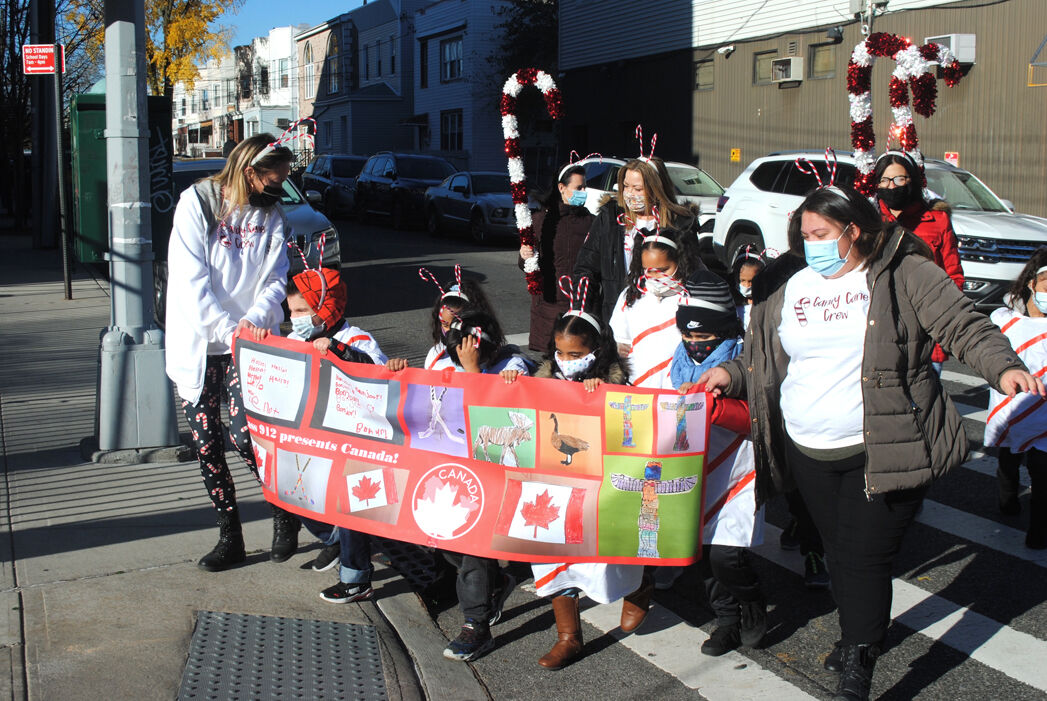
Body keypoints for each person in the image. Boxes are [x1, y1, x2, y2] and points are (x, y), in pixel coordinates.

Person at [696, 186, 1044, 701]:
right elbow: (763, 359)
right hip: (807, 448)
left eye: (820, 235)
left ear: (852, 230)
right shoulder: (789, 285)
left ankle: (858, 659)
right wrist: (729, 372)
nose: (809, 245)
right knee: (840, 553)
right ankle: (863, 630)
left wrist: (1004, 366)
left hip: (883, 445)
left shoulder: (903, 273)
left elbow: (962, 323)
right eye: (803, 235)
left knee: (862, 557)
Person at [165, 133, 295, 572]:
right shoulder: (198, 205)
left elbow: (277, 277)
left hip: (250, 342)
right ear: (247, 172)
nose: (277, 190)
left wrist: (252, 320)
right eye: (271, 181)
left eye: (282, 181)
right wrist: (225, 327)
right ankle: (230, 537)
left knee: (247, 436)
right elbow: (189, 282)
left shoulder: (272, 215)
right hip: (202, 343)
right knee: (207, 445)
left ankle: (284, 513)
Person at [501, 282, 641, 669]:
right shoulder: (544, 380)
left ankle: (641, 587)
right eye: (560, 352)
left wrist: (604, 393)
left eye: (576, 354)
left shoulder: (617, 382)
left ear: (596, 351)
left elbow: (631, 428)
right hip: (553, 485)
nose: (566, 360)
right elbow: (518, 414)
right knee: (549, 554)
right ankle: (568, 637)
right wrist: (512, 388)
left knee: (605, 557)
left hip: (599, 488)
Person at [670, 271, 767, 656]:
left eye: (704, 338)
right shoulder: (678, 361)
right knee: (704, 553)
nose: (694, 344)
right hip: (692, 467)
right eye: (688, 337)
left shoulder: (746, 358)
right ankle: (726, 621)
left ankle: (752, 602)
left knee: (728, 553)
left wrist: (718, 409)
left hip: (740, 466)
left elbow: (761, 417)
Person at [282, 266, 390, 599]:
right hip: (312, 441)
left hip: (354, 443)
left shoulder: (355, 338)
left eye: (302, 310)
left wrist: (336, 350)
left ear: (324, 308)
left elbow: (377, 374)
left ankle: (356, 577)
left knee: (349, 503)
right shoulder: (294, 340)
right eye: (291, 311)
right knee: (297, 494)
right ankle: (336, 539)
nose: (295, 318)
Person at [440, 309, 533, 661]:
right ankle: (495, 583)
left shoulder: (514, 367)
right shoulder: (455, 362)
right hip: (460, 469)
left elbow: (496, 417)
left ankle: (475, 625)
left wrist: (473, 371)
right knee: (446, 541)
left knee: (472, 544)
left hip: (501, 475)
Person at [574, 157, 697, 323]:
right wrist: (582, 315)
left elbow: (692, 275)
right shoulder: (610, 219)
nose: (630, 194)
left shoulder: (680, 225)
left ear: (656, 189)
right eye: (626, 186)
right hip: (616, 317)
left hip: (663, 319)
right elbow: (586, 269)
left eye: (638, 189)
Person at [872, 151, 964, 374]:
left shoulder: (937, 220)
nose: (892, 186)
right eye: (884, 180)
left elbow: (953, 274)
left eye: (899, 179)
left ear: (912, 179)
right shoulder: (870, 221)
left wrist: (944, 320)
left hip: (926, 328)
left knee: (926, 400)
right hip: (881, 328)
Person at [985, 248, 1047, 549]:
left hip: (1045, 415)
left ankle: (1038, 530)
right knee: (1009, 459)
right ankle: (1007, 497)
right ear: (1032, 284)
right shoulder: (1005, 321)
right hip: (1013, 409)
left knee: (1043, 473)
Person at [609, 226, 702, 390]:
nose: (655, 277)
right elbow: (620, 344)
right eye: (648, 271)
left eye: (663, 270)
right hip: (637, 390)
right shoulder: (630, 297)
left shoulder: (695, 298)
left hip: (680, 390)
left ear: (680, 262)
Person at [518, 165, 594, 351]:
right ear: (562, 188)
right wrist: (524, 255)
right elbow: (528, 264)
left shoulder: (591, 222)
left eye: (585, 187)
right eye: (578, 188)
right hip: (548, 305)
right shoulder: (541, 221)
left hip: (581, 303)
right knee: (549, 364)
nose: (584, 192)